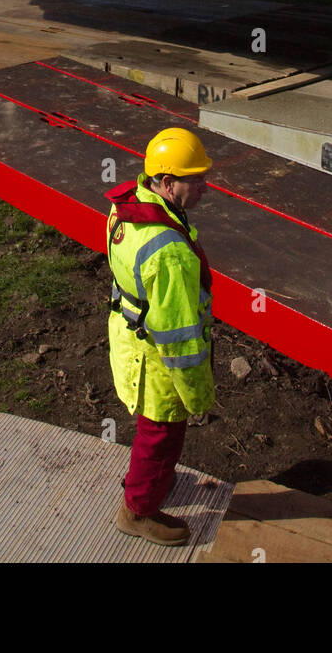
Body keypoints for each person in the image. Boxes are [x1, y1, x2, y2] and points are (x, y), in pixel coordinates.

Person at [105, 126, 214, 546]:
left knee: (149, 427)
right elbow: (180, 340)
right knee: (162, 434)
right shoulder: (168, 252)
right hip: (156, 361)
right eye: (195, 179)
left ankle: (144, 482)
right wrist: (198, 397)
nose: (205, 188)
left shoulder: (127, 208)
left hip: (129, 339)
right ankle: (138, 510)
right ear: (166, 183)